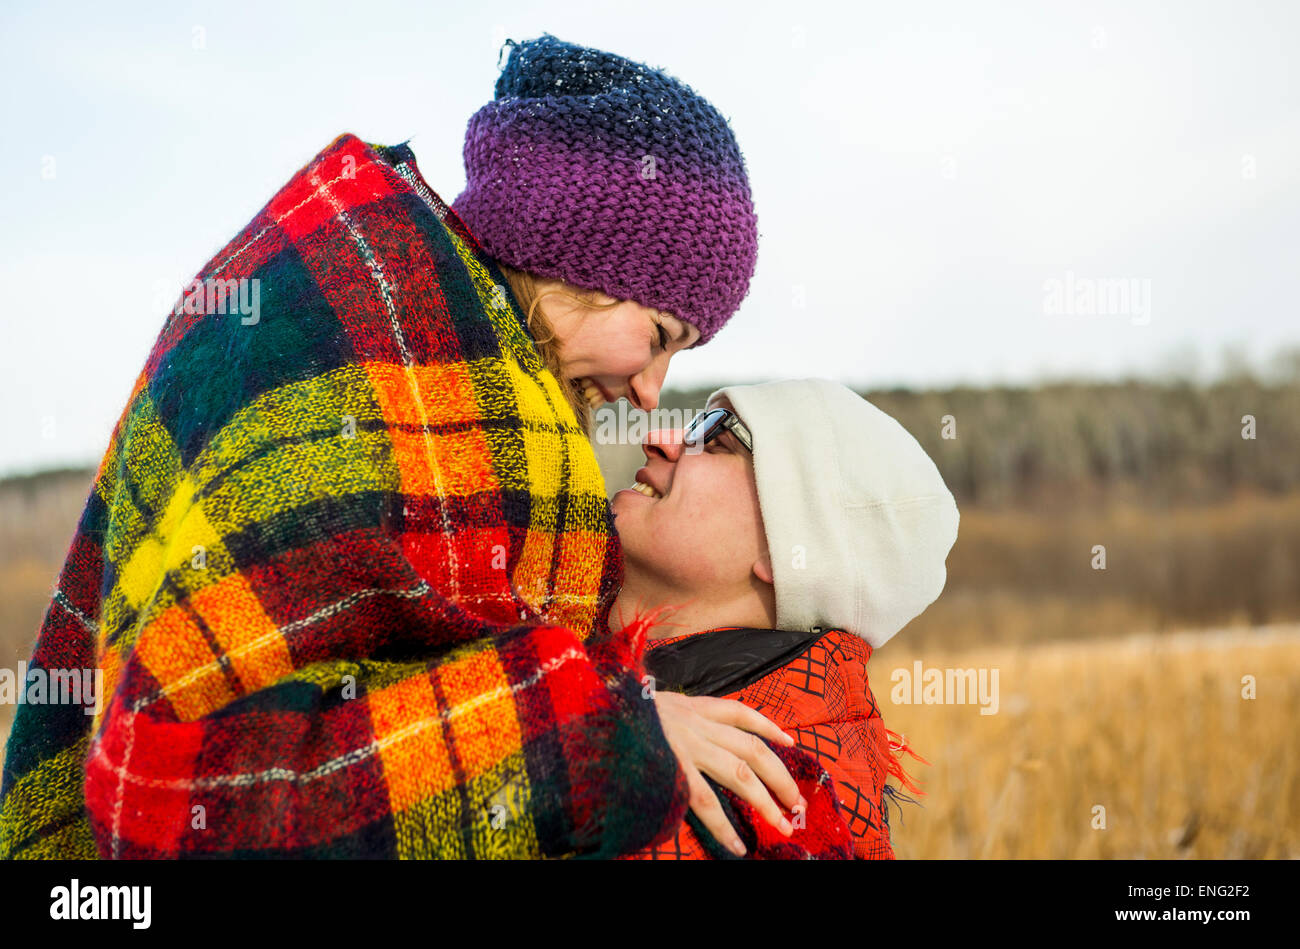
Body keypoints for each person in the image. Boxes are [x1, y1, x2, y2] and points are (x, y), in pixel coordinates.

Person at [0, 35, 808, 859]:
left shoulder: (341, 281)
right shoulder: (393, 359)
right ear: (576, 260)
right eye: (661, 335)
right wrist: (599, 735)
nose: (648, 388)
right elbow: (171, 789)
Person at [609, 379, 960, 859]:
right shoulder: (619, 711)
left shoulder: (768, 812)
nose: (660, 438)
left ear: (788, 553)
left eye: (714, 441)